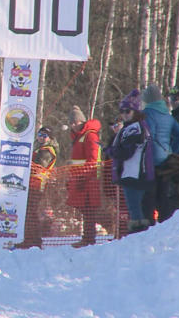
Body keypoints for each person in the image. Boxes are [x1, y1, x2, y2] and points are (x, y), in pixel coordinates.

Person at [106, 89, 155, 233]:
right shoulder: (137, 126)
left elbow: (126, 152)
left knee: (135, 209)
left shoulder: (135, 128)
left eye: (127, 111)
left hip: (133, 174)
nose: (124, 115)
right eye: (122, 111)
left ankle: (138, 236)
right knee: (137, 208)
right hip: (136, 173)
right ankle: (140, 235)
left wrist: (109, 150)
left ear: (136, 111)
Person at [142, 84, 179, 223]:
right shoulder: (167, 116)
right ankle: (165, 225)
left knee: (148, 196)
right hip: (166, 161)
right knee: (164, 195)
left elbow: (149, 135)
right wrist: (171, 151)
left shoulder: (148, 113)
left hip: (150, 161)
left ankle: (147, 227)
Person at [65, 105, 104, 248]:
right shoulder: (79, 137)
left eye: (75, 122)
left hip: (88, 180)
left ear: (82, 121)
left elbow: (92, 159)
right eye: (71, 123)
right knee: (85, 210)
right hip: (80, 179)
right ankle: (87, 237)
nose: (73, 125)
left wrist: (83, 176)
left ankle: (89, 239)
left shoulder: (90, 135)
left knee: (89, 210)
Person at [15, 126, 59, 249]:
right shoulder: (38, 148)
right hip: (31, 183)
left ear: (50, 138)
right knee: (30, 212)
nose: (41, 138)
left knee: (31, 212)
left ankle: (32, 240)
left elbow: (39, 166)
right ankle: (32, 239)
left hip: (37, 183)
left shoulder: (47, 150)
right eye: (40, 135)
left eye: (44, 136)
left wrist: (24, 162)